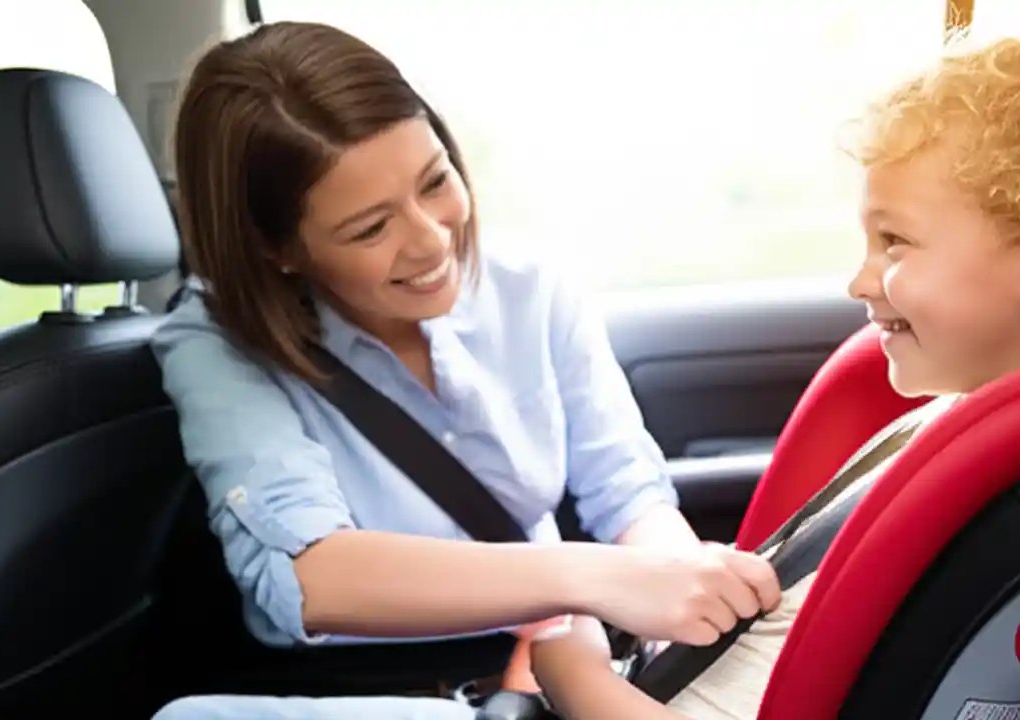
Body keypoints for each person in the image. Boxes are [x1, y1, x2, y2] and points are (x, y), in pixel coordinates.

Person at [522, 26, 1020, 720]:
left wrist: (572, 670)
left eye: (894, 242)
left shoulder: (987, 487)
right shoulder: (993, 435)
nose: (858, 281)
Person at [149, 18, 780, 717]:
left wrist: (681, 596)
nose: (429, 240)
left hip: (561, 656)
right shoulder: (219, 341)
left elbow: (626, 486)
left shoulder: (529, 287)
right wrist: (586, 580)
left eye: (435, 181)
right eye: (371, 228)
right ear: (277, 249)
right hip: (378, 689)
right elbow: (307, 576)